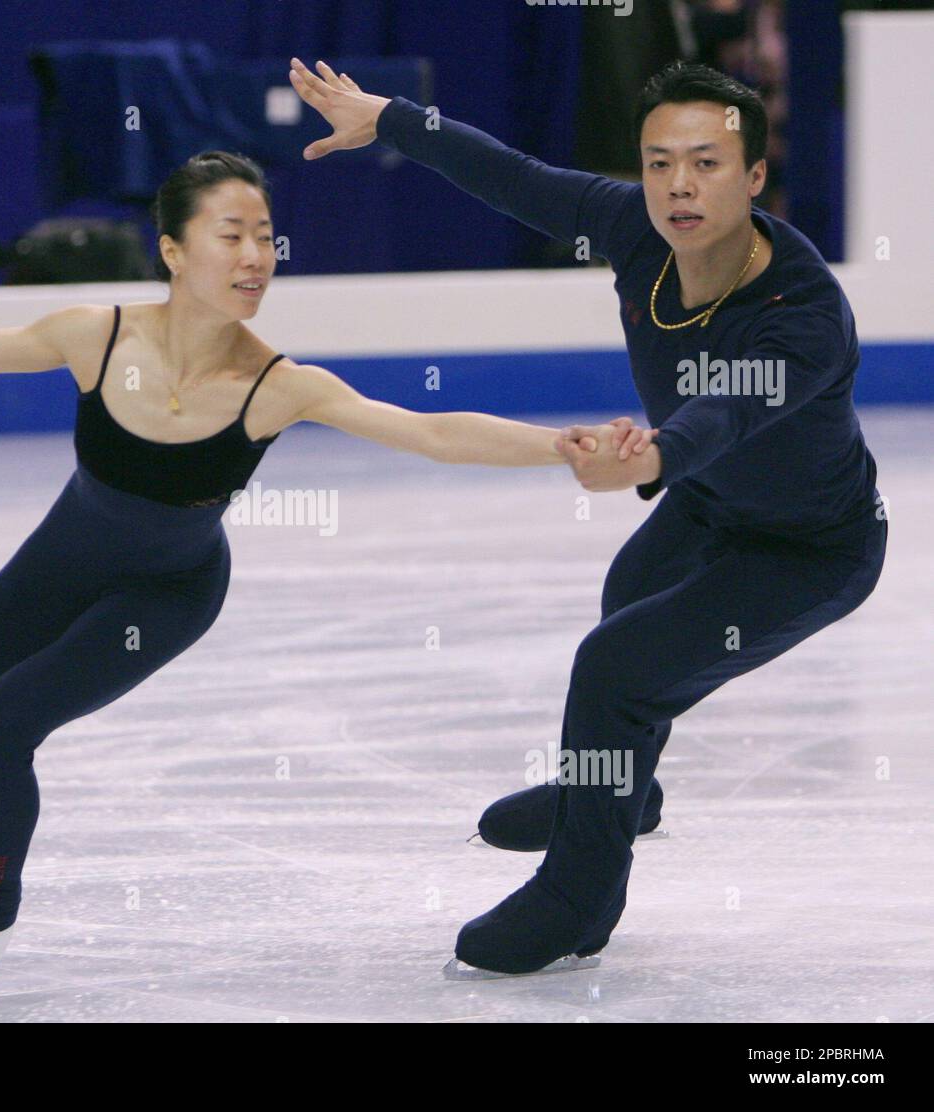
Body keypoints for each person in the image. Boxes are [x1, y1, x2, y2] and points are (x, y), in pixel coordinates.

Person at [0, 151, 652, 997]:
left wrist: (559, 448)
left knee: (6, 721)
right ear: (171, 250)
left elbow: (429, 431)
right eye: (231, 234)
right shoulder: (98, 334)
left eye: (267, 237)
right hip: (57, 561)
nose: (256, 256)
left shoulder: (278, 383)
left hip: (165, 595)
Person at [289, 57, 886, 975]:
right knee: (630, 598)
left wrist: (650, 457)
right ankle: (615, 791)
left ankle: (579, 896)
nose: (678, 185)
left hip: (812, 547)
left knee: (614, 667)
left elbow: (730, 406)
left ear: (757, 176)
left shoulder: (802, 313)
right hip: (710, 507)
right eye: (657, 163)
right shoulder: (637, 231)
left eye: (706, 163)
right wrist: (392, 119)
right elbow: (518, 178)